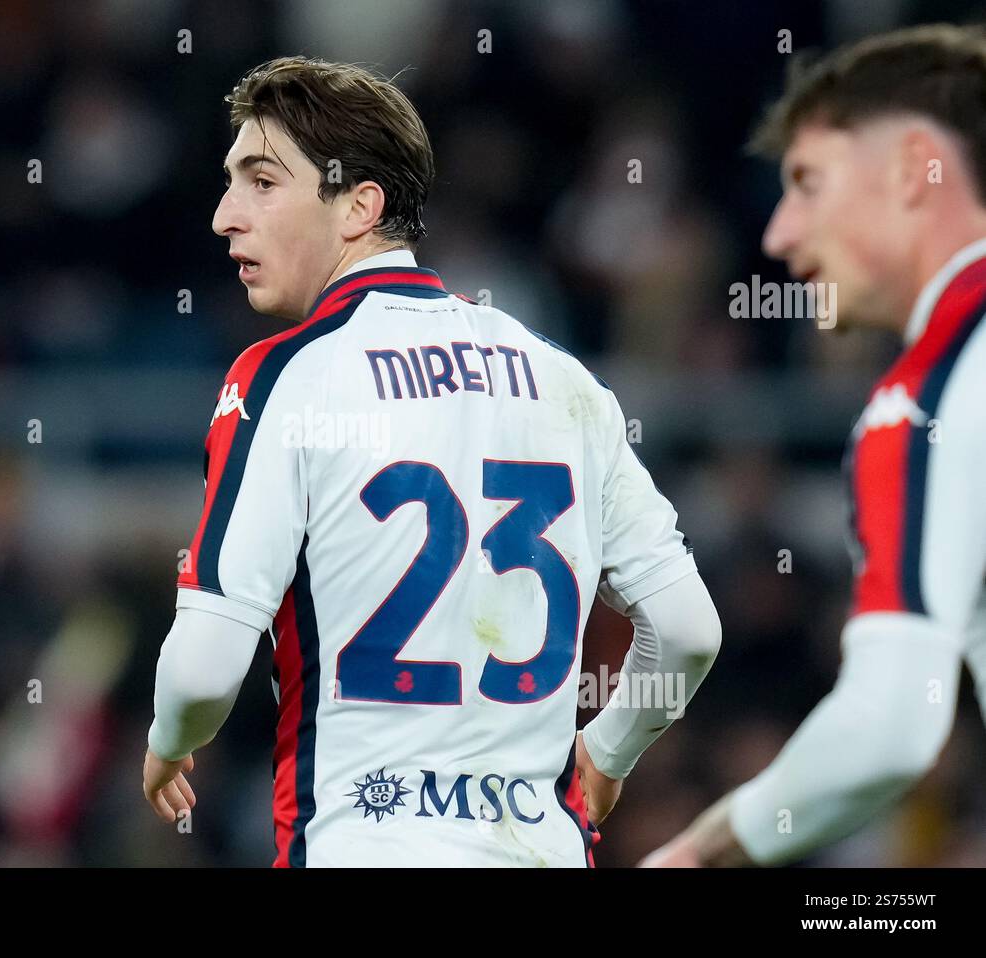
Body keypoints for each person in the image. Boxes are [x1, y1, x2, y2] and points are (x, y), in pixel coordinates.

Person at [143, 56, 721, 867]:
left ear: (359, 206)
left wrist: (171, 740)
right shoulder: (567, 382)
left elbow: (203, 672)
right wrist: (611, 752)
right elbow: (688, 628)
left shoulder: (285, 376)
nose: (224, 216)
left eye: (261, 181)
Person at [643, 24, 986, 868]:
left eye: (808, 184)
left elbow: (894, 722)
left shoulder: (929, 399)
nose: (780, 235)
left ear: (913, 171)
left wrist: (697, 852)